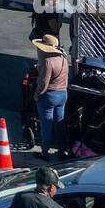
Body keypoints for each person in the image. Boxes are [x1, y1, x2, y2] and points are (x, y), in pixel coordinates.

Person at [32, 33, 69, 161]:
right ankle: (62, 150)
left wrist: (36, 95)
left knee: (46, 125)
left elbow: (43, 83)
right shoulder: (64, 59)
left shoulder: (48, 62)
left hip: (49, 96)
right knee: (60, 123)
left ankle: (45, 152)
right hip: (62, 94)